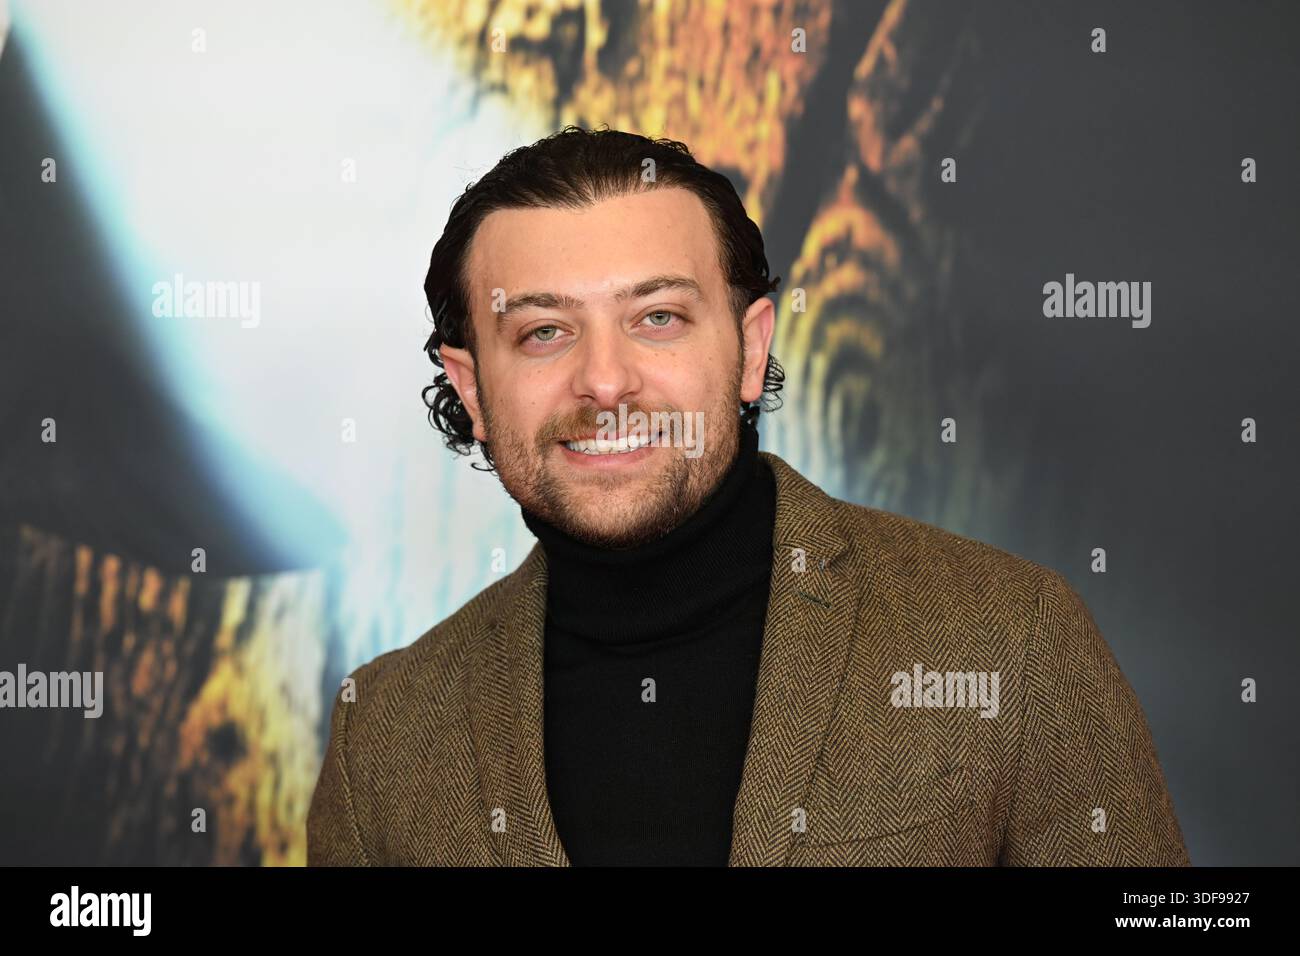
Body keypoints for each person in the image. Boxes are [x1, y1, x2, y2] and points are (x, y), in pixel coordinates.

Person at [307, 126, 1189, 866]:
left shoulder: (1012, 638)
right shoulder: (382, 739)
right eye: (543, 332)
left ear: (750, 346)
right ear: (470, 389)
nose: (605, 381)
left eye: (658, 317)